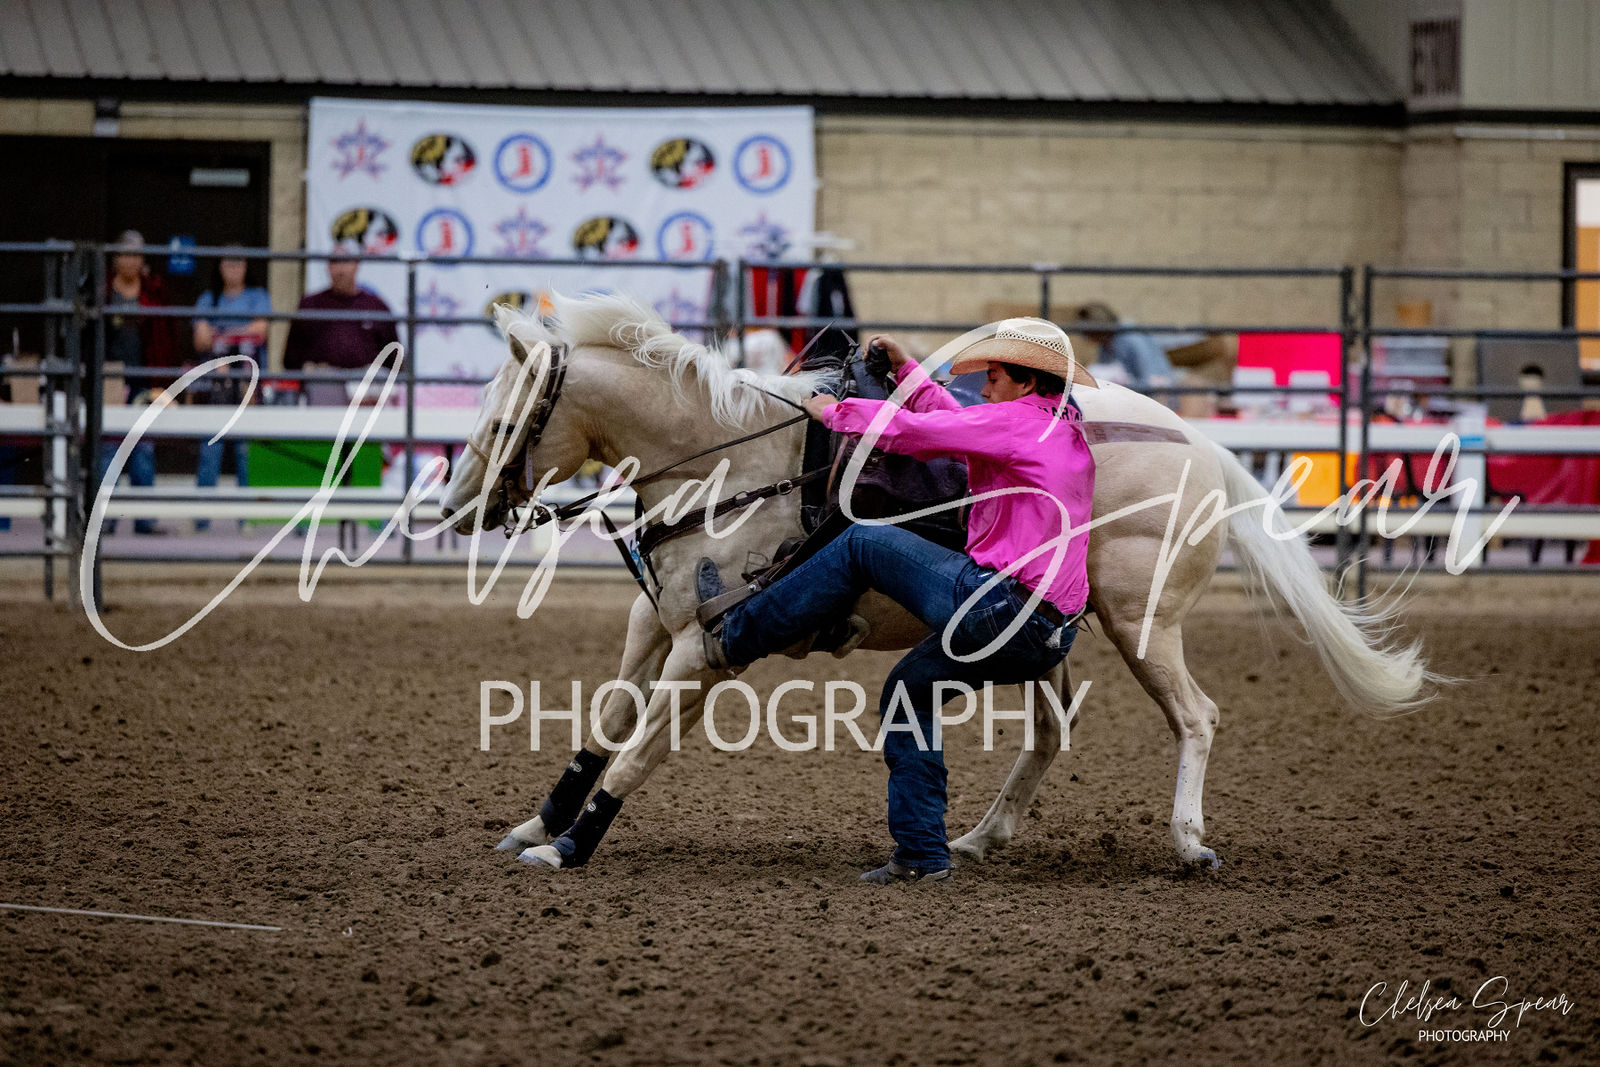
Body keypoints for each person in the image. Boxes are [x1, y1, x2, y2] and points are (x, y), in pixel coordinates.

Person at [699, 319, 1096, 884]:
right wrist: (909, 370)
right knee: (908, 694)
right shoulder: (1060, 427)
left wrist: (831, 413)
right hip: (1049, 633)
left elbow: (906, 434)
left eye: (994, 377)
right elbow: (957, 424)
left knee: (863, 540)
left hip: (999, 607)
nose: (984, 387)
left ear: (1026, 382)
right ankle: (922, 856)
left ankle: (734, 635)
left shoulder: (1015, 425)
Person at [100, 230, 176, 535]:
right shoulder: (103, 291)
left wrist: (164, 380)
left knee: (144, 449)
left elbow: (166, 333)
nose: (130, 260)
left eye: (136, 254)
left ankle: (144, 520)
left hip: (146, 375)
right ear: (115, 258)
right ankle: (104, 520)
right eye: (124, 254)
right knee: (109, 451)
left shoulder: (154, 290)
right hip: (112, 378)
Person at [192, 250, 271, 529]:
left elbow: (261, 330)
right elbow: (200, 339)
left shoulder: (257, 296)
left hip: (248, 382)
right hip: (216, 384)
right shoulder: (209, 298)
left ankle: (245, 519)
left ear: (246, 266)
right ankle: (201, 521)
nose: (234, 268)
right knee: (210, 448)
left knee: (244, 450)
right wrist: (238, 335)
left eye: (239, 262)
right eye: (228, 262)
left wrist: (220, 337)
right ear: (220, 266)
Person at [282, 257, 399, 401]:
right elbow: (292, 357)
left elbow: (394, 356)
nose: (341, 270)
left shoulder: (376, 306)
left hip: (366, 378)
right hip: (326, 377)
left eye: (346, 262)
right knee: (320, 379)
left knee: (380, 378)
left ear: (356, 266)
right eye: (335, 263)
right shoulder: (310, 305)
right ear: (328, 268)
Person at [1072, 301, 1174, 395]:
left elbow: (1153, 380)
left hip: (1156, 391)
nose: (1085, 338)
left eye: (1087, 333)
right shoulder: (1105, 343)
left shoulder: (1131, 337)